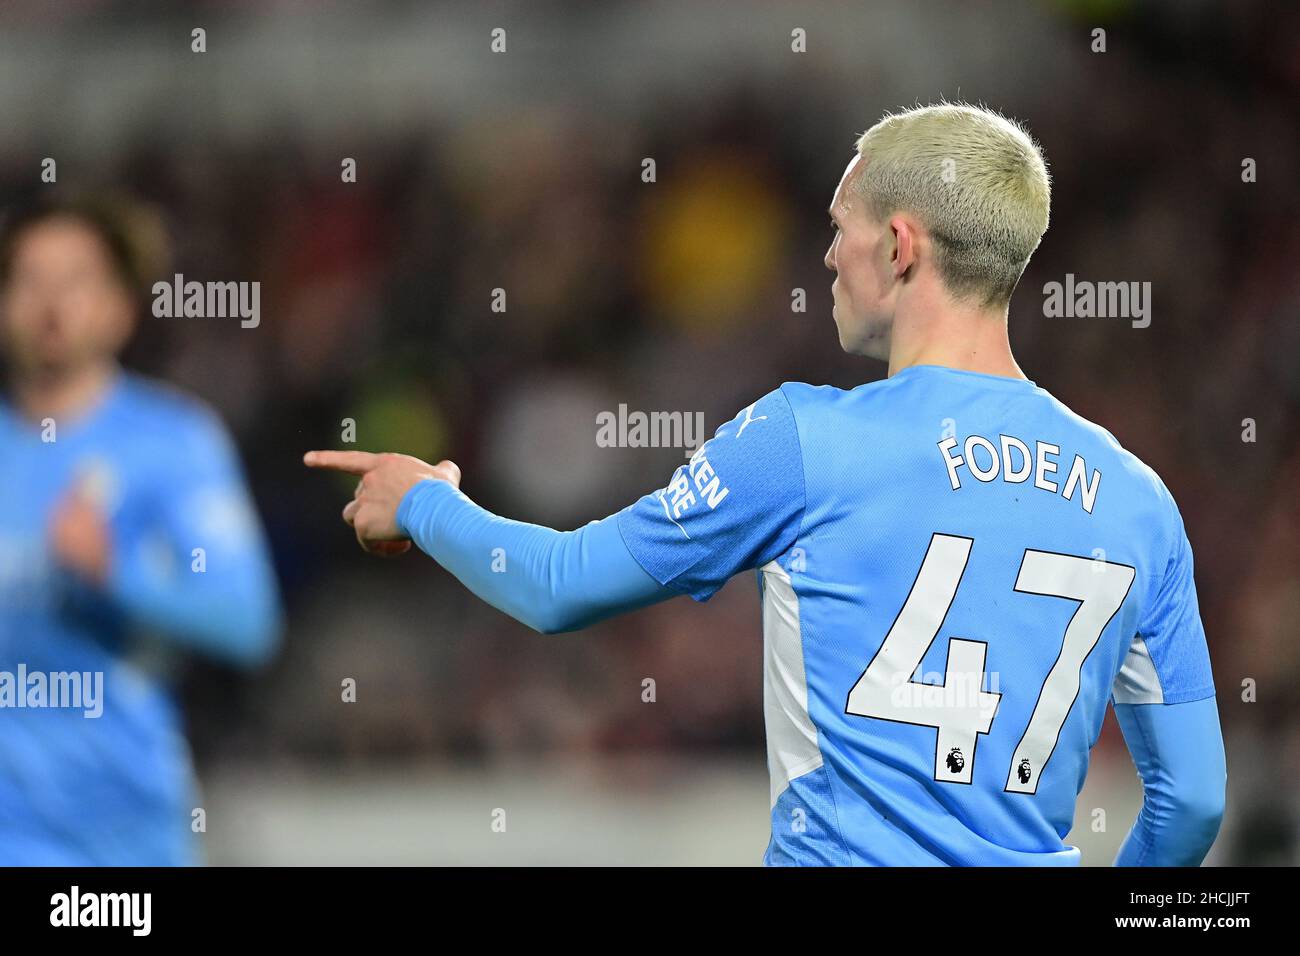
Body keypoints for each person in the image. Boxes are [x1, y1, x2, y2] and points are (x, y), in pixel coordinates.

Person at [305, 103, 1225, 866]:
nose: (828, 257)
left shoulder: (803, 442)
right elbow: (1192, 803)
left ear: (900, 246)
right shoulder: (1137, 497)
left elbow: (559, 586)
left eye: (839, 229)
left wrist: (422, 502)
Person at [0, 196, 283, 864]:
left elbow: (247, 622)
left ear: (119, 308)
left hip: (122, 826)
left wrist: (114, 573)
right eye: (28, 279)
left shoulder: (173, 443)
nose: (50, 302)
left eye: (75, 281)